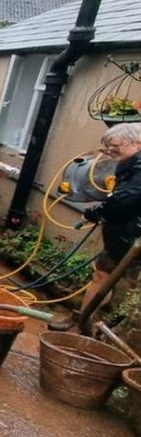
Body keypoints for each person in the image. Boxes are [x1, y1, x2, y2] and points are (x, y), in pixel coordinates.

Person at [80, 123, 141, 316]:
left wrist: (94, 213)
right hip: (119, 238)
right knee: (100, 276)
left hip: (134, 245)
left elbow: (122, 202)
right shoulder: (128, 165)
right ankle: (82, 321)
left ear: (138, 144)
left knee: (128, 293)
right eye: (108, 145)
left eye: (116, 145)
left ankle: (109, 336)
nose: (110, 150)